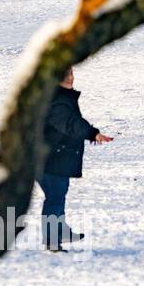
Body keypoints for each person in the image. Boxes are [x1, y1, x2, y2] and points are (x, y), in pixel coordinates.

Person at [40, 66, 113, 251]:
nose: (70, 78)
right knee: (55, 197)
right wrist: (92, 133)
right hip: (48, 158)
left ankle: (61, 231)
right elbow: (70, 123)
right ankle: (51, 241)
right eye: (64, 75)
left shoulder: (61, 96)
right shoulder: (56, 101)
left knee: (59, 193)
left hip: (55, 156)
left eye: (71, 73)